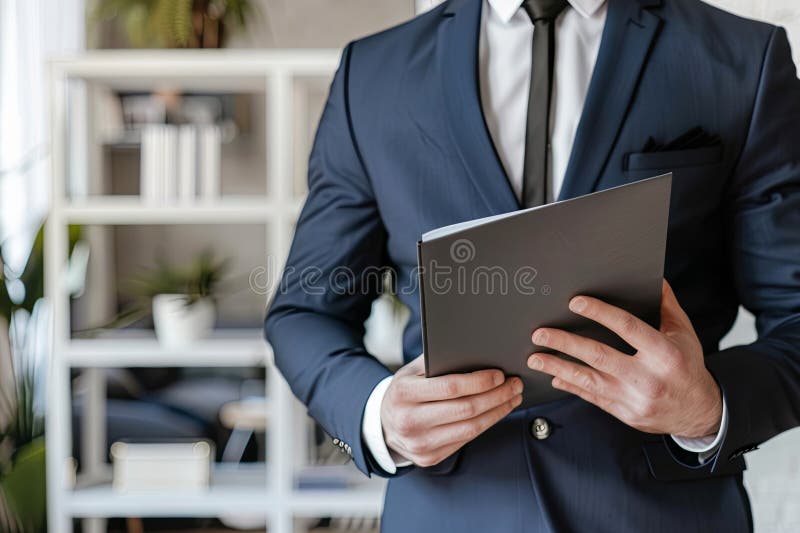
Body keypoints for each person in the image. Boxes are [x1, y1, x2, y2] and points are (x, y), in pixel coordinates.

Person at [265, 0, 800, 531]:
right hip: (451, 513)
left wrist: (708, 408)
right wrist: (377, 414)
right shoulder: (373, 75)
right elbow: (304, 311)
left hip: (660, 514)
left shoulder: (743, 58)